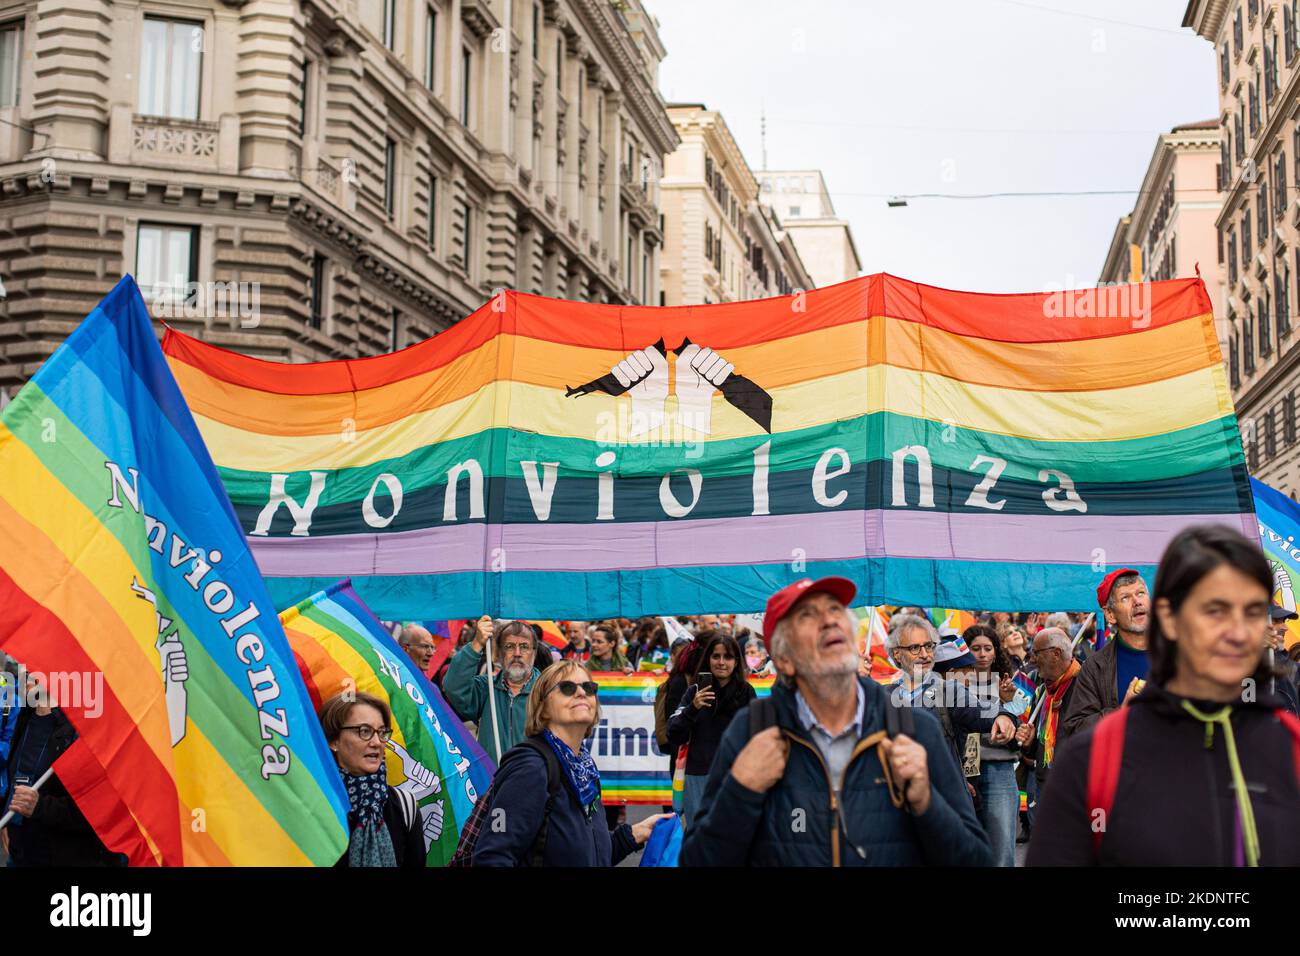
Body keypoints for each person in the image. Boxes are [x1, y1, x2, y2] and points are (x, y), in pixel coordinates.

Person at [1029, 524, 1300, 865]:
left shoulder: (1289, 746)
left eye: (1252, 610)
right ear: (1170, 619)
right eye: (1215, 610)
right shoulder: (1091, 761)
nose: (1237, 630)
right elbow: (1073, 727)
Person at [681, 577, 991, 866]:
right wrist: (741, 791)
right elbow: (698, 858)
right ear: (784, 659)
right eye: (807, 616)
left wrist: (926, 802)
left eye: (834, 609)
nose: (829, 619)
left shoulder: (916, 730)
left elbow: (976, 858)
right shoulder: (750, 731)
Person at [472, 661, 671, 865]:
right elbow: (492, 856)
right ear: (543, 708)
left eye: (589, 687)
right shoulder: (531, 767)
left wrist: (636, 833)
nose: (581, 693)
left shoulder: (585, 769)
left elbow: (590, 854)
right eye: (567, 688)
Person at [1, 672, 123, 867]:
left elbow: (96, 808)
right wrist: (7, 816)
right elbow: (17, 774)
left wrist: (40, 806)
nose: (27, 673)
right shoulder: (25, 716)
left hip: (59, 857)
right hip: (19, 854)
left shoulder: (81, 730)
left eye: (36, 668)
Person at [889, 615, 1018, 778]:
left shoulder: (950, 690)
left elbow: (981, 714)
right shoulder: (884, 695)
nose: (924, 654)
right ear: (897, 654)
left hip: (942, 789)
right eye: (915, 648)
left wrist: (1002, 716)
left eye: (928, 646)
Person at [319, 691, 424, 867]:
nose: (376, 742)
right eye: (364, 731)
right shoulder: (318, 804)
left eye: (382, 732)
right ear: (333, 740)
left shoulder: (405, 805)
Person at [666, 632, 756, 826]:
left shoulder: (746, 692)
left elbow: (756, 738)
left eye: (728, 657)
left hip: (735, 778)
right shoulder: (694, 692)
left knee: (734, 842)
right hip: (698, 776)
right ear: (708, 659)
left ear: (736, 661)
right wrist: (693, 708)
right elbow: (673, 734)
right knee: (699, 842)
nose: (721, 662)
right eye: (716, 656)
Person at [961, 624, 1028, 868]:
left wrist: (1007, 703)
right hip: (964, 771)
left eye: (987, 648)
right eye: (975, 648)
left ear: (996, 652)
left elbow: (1020, 720)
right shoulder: (952, 684)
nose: (982, 654)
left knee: (1001, 852)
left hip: (999, 771)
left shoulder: (1007, 684)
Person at [1061, 569, 1149, 742]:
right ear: (1110, 614)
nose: (1137, 601)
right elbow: (1075, 729)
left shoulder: (1180, 654)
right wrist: (1121, 713)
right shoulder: (1095, 667)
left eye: (1141, 593)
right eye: (1125, 598)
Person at [443, 618, 540, 764]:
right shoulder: (486, 688)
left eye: (524, 647)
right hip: (492, 780)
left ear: (534, 652)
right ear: (500, 653)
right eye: (509, 646)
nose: (517, 653)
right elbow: (454, 685)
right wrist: (477, 644)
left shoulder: (546, 691)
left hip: (535, 780)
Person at [1013, 626, 1081, 799]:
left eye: (1036, 653)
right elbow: (1037, 749)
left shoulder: (1086, 685)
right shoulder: (1042, 691)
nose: (1033, 659)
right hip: (1046, 786)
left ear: (1056, 653)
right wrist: (1029, 743)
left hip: (1078, 785)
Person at [1267, 605, 1300, 716]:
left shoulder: (1294, 668)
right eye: (1275, 621)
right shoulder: (1241, 665)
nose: (1285, 627)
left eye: (1284, 621)